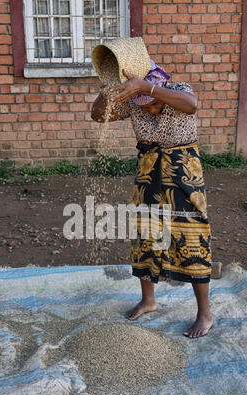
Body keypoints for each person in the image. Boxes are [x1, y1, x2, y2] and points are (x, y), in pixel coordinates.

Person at [91, 60, 213, 339]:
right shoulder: (134, 100)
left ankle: (205, 313)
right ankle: (149, 300)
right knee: (146, 234)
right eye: (142, 104)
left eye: (150, 103)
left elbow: (192, 105)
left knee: (191, 236)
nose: (147, 108)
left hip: (183, 173)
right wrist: (106, 91)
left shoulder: (176, 89)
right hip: (148, 170)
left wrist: (149, 88)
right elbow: (98, 116)